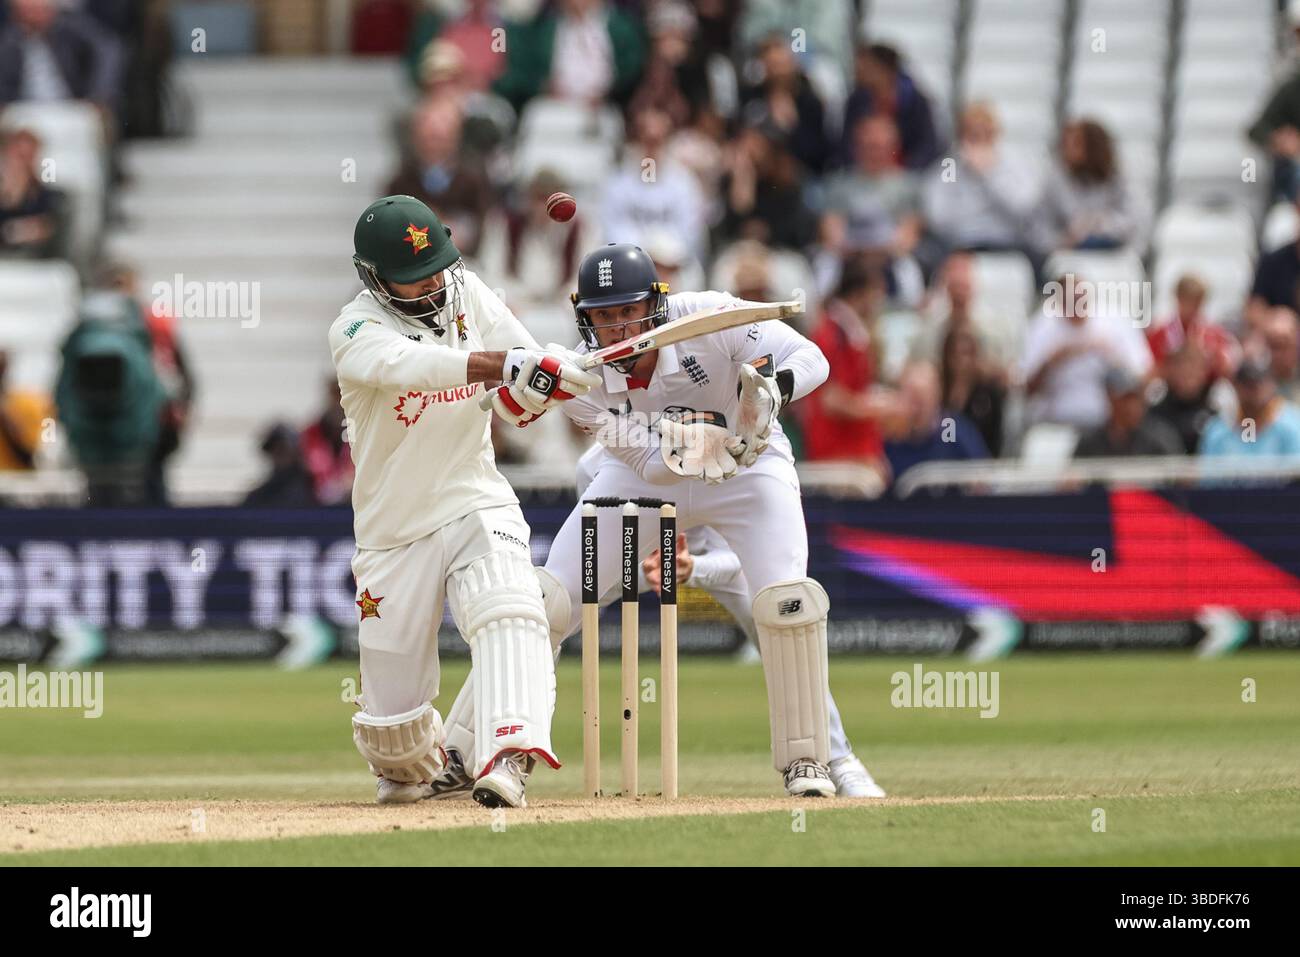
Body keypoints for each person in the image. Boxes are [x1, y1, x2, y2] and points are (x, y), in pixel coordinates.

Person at [432, 242, 871, 801]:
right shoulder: (579, 382)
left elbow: (813, 357)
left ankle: (808, 762)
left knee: (788, 602)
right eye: (603, 317)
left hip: (750, 470)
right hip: (640, 481)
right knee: (545, 602)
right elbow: (645, 464)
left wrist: (771, 393)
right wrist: (694, 448)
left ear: (655, 305)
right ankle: (490, 755)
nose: (617, 330)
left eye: (627, 313)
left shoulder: (709, 316)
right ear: (584, 318)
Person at [331, 194, 600, 807]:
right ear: (375, 278)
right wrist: (508, 367)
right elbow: (417, 367)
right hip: (393, 532)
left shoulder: (469, 292)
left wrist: (549, 383)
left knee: (512, 610)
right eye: (410, 277)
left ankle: (509, 752)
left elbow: (526, 379)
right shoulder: (353, 329)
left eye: (436, 266)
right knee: (397, 753)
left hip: (474, 495)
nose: (431, 284)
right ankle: (424, 763)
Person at [1019, 274, 1154, 432]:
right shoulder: (1042, 327)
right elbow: (1026, 389)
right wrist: (1052, 361)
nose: (1078, 305)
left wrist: (1112, 357)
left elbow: (1144, 375)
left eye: (1080, 297)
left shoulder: (1115, 321)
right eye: (1071, 300)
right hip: (1056, 419)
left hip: (1109, 420)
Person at [1033, 119, 1141, 255]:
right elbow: (1039, 230)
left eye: (1076, 143)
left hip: (1112, 256)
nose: (1068, 148)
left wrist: (1098, 224)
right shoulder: (1054, 180)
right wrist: (1064, 240)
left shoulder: (1118, 178)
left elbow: (1132, 221)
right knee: (1070, 273)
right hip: (1068, 257)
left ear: (1093, 146)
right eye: (1066, 143)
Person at [839, 43, 942, 171]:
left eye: (866, 66)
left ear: (883, 68)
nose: (858, 71)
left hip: (907, 176)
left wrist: (906, 172)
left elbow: (928, 145)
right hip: (864, 176)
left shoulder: (915, 101)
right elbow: (846, 144)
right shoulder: (857, 100)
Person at [883, 360, 988, 481]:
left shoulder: (949, 429)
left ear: (937, 394)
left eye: (924, 395)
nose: (918, 407)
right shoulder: (890, 435)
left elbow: (981, 473)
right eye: (912, 396)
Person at [1199, 354, 1300, 459]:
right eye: (1247, 384)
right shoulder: (1218, 430)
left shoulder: (1292, 425)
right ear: (1235, 386)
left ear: (1272, 384)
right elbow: (1209, 472)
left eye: (1260, 382)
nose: (1255, 390)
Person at [1074, 366, 1183, 457]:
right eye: (1125, 398)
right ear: (1109, 397)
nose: (1132, 406)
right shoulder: (1091, 441)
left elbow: (1177, 477)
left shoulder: (1160, 437)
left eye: (1136, 397)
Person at [243, 423, 317, 508]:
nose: (276, 455)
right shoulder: (270, 486)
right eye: (272, 449)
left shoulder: (309, 486)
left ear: (295, 452)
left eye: (282, 450)